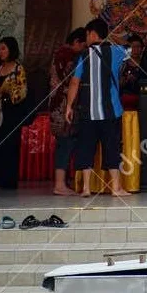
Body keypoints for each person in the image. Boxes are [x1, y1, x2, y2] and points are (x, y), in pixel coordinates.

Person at [65, 18, 130, 197]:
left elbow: (74, 83)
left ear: (92, 34)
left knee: (86, 148)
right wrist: (111, 38)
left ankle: (86, 188)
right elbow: (130, 51)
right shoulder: (117, 52)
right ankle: (116, 188)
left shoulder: (82, 56)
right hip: (111, 111)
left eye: (87, 34)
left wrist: (69, 106)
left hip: (87, 112)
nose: (86, 38)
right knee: (112, 148)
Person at [0, 37, 28, 191]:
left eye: (4, 48)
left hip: (13, 110)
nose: (1, 52)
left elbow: (22, 91)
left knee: (11, 145)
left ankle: (10, 181)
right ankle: (0, 180)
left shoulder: (18, 69)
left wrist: (7, 90)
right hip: (0, 111)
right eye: (0, 49)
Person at [49, 27, 86, 196]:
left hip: (56, 105)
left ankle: (63, 182)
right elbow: (74, 81)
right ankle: (60, 184)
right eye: (84, 45)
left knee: (64, 144)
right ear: (77, 42)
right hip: (64, 107)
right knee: (66, 144)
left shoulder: (58, 54)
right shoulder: (70, 57)